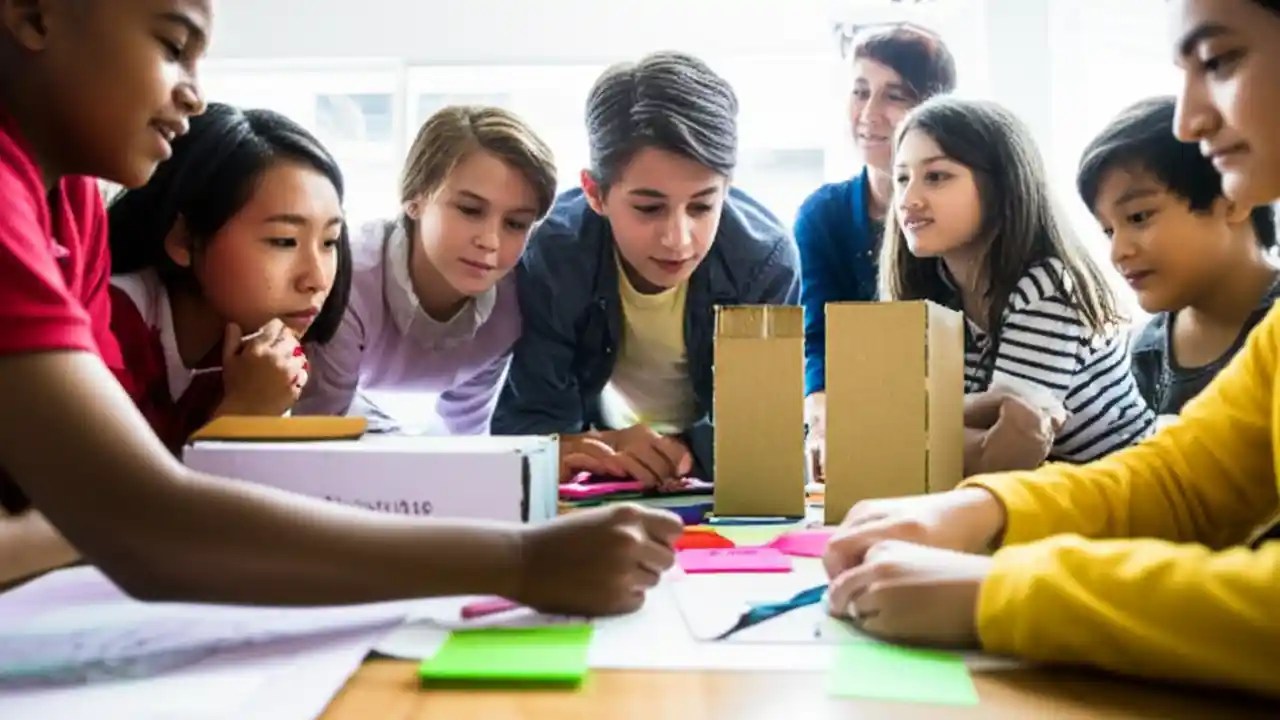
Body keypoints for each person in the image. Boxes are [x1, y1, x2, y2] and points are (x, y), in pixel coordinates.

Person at [0, 0, 679, 611]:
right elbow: (137, 516)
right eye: (172, 45)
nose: (194, 94)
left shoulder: (75, 207)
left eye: (330, 243)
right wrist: (521, 561)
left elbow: (123, 504)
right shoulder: (93, 268)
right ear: (32, 13)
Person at [820, 0, 1280, 696]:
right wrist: (979, 509)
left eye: (1219, 61)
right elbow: (1183, 485)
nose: (1187, 120)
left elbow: (1016, 437)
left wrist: (999, 591)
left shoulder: (1044, 287)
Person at [490, 51, 801, 489]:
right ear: (595, 193)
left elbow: (764, 431)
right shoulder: (555, 254)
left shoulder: (765, 261)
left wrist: (687, 450)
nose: (678, 238)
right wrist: (600, 446)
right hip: (604, 464)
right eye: (649, 208)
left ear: (727, 189)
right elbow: (530, 425)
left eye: (702, 206)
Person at [881, 96, 1154, 466]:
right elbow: (933, 432)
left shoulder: (1047, 287)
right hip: (1040, 490)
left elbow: (1010, 444)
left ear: (1001, 186)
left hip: (1118, 490)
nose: (908, 199)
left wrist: (903, 422)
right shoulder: (939, 292)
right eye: (902, 178)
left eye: (936, 177)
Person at [295, 105, 556, 436]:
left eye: (516, 223)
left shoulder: (515, 304)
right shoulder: (348, 280)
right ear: (414, 199)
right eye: (470, 210)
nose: (491, 241)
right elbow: (316, 432)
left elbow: (467, 432)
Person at [107, 102, 352, 453]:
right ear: (185, 239)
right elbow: (104, 487)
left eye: (329, 242)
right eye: (284, 241)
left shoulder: (262, 353)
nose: (317, 279)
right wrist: (245, 412)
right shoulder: (109, 323)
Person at [796, 22, 956, 481]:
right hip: (858, 432)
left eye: (894, 95)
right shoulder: (823, 215)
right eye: (860, 92)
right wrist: (821, 420)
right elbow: (816, 337)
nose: (869, 113)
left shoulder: (960, 214)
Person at [1079, 95, 1279, 417]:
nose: (1118, 252)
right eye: (1108, 231)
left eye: (1138, 217)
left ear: (1233, 200)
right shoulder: (1142, 355)